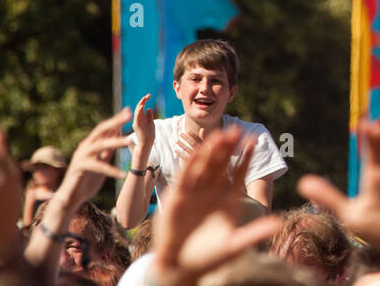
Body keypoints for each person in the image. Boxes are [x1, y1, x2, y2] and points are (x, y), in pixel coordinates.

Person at [117, 39, 287, 226]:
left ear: (231, 92)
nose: (204, 88)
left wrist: (216, 177)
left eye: (215, 81)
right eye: (196, 79)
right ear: (178, 88)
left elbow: (261, 220)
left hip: (233, 251)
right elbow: (127, 220)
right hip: (177, 251)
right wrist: (143, 148)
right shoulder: (160, 134)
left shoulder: (253, 137)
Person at [20, 145, 68, 230]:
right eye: (36, 168)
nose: (39, 172)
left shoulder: (65, 193)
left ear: (58, 170)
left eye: (44, 168)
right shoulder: (32, 193)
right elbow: (27, 223)